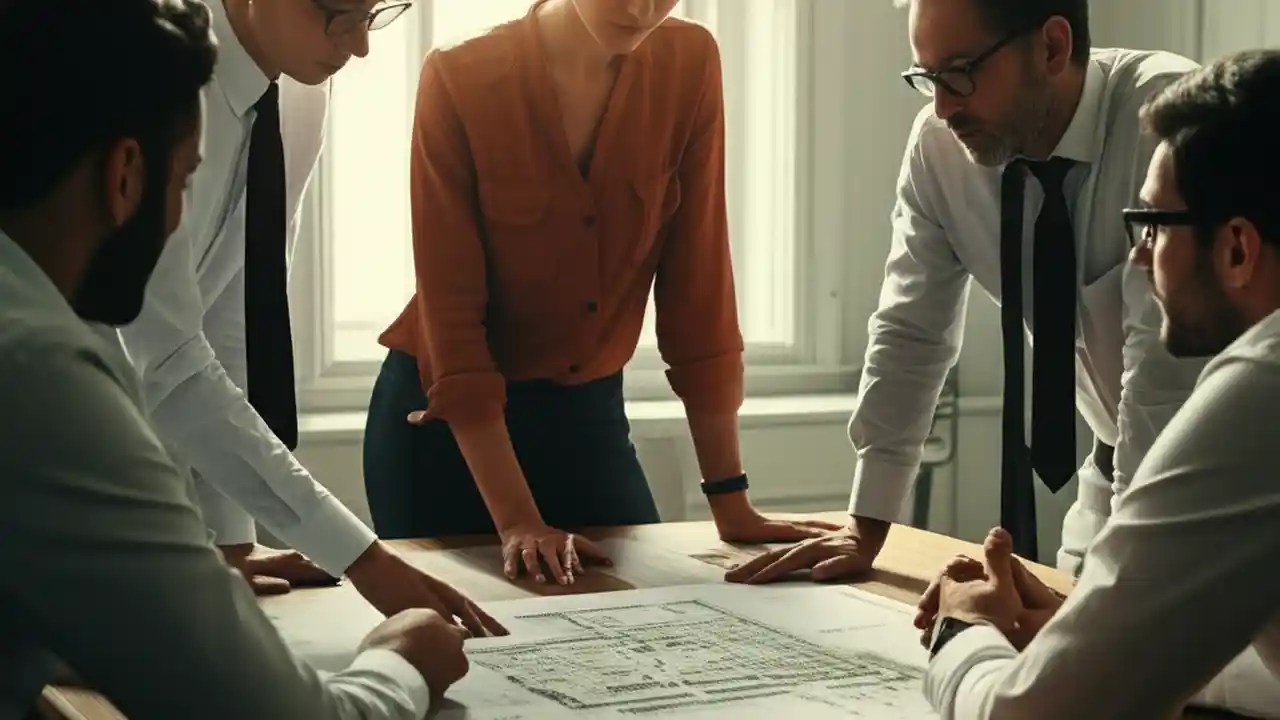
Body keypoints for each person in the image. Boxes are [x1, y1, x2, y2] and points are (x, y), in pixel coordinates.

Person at [0, 1, 471, 717]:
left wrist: (219, 548)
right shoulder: (45, 381)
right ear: (124, 174)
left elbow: (228, 318)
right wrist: (401, 660)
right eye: (186, 180)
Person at [363, 0, 842, 584]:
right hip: (450, 432)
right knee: (483, 655)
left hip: (589, 420)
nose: (642, 9)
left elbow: (700, 284)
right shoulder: (460, 75)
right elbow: (450, 313)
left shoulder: (689, 63)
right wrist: (518, 522)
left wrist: (730, 501)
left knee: (656, 629)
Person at [727, 0, 1205, 585]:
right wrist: (866, 524)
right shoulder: (940, 149)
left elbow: (1163, 376)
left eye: (959, 73)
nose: (943, 107)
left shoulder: (1172, 129)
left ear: (1052, 47)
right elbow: (910, 332)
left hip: (1222, 489)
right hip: (1111, 478)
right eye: (927, 78)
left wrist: (1124, 583)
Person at [111, 0, 505, 626]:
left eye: (372, 15)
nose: (360, 46)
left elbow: (236, 314)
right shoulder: (148, 79)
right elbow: (167, 358)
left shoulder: (299, 98)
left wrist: (228, 543)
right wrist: (362, 558)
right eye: (337, 15)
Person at [919, 49, 1280, 718]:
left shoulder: (1264, 387)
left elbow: (1028, 718)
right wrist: (1093, 629)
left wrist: (963, 633)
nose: (1137, 261)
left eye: (1151, 225)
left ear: (1237, 249)